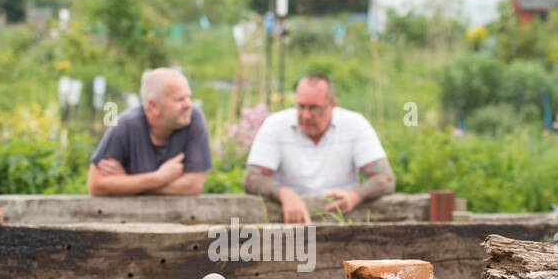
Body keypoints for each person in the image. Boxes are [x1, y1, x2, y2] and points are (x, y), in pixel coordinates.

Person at [243, 73, 395, 223]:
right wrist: (285, 194)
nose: (306, 115)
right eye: (301, 106)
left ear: (333, 105)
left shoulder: (355, 125)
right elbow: (252, 178)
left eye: (314, 108)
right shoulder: (275, 125)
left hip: (343, 220)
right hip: (288, 222)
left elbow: (385, 178)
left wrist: (355, 196)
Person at [87, 67, 212, 195]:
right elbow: (96, 185)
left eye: (188, 97)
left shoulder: (193, 118)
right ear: (153, 106)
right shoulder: (125, 124)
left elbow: (192, 186)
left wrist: (128, 182)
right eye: (179, 99)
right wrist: (159, 178)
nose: (188, 104)